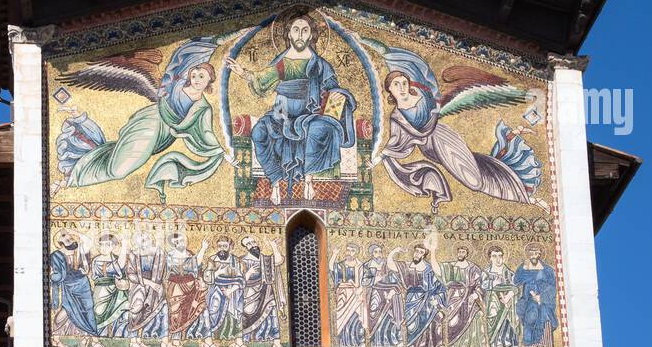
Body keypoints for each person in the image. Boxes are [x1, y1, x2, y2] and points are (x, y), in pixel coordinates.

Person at [370, 46, 542, 213]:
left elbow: (434, 95)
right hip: (430, 150)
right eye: (396, 84)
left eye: (404, 82)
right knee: (474, 174)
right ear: (389, 90)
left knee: (473, 181)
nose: (401, 87)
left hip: (443, 138)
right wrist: (379, 159)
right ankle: (519, 192)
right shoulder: (397, 117)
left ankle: (520, 194)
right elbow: (396, 142)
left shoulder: (423, 99)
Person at [57, 40, 234, 202]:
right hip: (150, 123)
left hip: (164, 137)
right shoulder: (175, 87)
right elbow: (190, 54)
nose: (196, 79)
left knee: (117, 160)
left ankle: (79, 165)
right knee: (119, 170)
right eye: (194, 75)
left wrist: (222, 152)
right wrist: (217, 40)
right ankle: (74, 178)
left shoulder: (203, 108)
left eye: (201, 76)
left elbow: (206, 134)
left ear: (210, 80)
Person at [226, 14, 355, 205]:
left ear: (311, 35)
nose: (300, 35)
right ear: (289, 34)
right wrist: (243, 72)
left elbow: (333, 87)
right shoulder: (282, 62)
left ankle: (308, 180)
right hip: (282, 112)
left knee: (319, 129)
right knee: (259, 132)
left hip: (311, 113)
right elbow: (262, 80)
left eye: (305, 30)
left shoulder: (320, 64)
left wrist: (339, 95)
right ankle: (276, 181)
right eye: (296, 30)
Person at [48, 230, 101, 347]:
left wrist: (72, 231)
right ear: (59, 242)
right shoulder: (56, 255)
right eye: (64, 237)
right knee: (66, 311)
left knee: (88, 311)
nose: (69, 238)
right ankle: (55, 338)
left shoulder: (79, 250)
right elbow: (57, 274)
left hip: (83, 286)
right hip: (69, 287)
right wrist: (52, 276)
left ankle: (93, 338)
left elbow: (88, 241)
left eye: (70, 237)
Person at [193, 236, 245, 347]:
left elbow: (241, 278)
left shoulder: (235, 260)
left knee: (236, 313)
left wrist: (230, 290)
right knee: (213, 312)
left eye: (225, 246)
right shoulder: (212, 259)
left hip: (232, 291)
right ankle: (208, 341)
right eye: (220, 246)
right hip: (215, 289)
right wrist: (218, 272)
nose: (222, 248)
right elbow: (207, 276)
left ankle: (236, 342)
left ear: (230, 247)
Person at [237, 235, 286, 347]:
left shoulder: (265, 259)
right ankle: (239, 342)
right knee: (244, 316)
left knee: (273, 313)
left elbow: (279, 261)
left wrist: (274, 246)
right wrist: (248, 273)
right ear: (245, 247)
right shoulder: (241, 260)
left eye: (253, 242)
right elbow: (237, 280)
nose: (253, 245)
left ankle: (276, 343)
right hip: (249, 294)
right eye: (248, 244)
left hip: (266, 291)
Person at [163, 232, 208, 347]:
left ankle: (202, 338)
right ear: (173, 244)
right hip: (176, 286)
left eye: (182, 241)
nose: (180, 243)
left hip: (191, 286)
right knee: (175, 312)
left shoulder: (190, 254)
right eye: (176, 242)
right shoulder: (170, 256)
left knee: (194, 309)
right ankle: (175, 341)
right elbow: (170, 271)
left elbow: (198, 267)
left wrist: (203, 249)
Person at [514, 243, 558, 347]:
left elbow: (553, 287)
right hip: (528, 300)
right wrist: (523, 269)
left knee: (543, 320)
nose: (533, 255)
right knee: (529, 319)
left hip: (544, 302)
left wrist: (541, 297)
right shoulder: (524, 267)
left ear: (540, 254)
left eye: (536, 253)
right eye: (531, 253)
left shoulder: (547, 270)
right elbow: (516, 281)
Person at [440, 245, 486, 347]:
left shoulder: (473, 268)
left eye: (463, 252)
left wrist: (475, 294)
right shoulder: (451, 266)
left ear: (467, 254)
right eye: (459, 252)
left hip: (469, 298)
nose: (461, 254)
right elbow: (442, 278)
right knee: (450, 319)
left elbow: (480, 284)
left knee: (477, 315)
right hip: (452, 298)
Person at [125, 231, 167, 347]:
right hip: (139, 285)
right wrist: (149, 283)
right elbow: (131, 274)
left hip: (155, 286)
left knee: (148, 312)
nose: (146, 241)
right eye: (143, 239)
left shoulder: (158, 253)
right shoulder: (134, 254)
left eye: (148, 238)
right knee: (136, 310)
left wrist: (155, 285)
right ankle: (133, 341)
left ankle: (139, 339)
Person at [481, 245, 519, 347]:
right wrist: (495, 284)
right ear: (490, 258)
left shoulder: (509, 273)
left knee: (510, 323)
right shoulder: (486, 272)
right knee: (493, 321)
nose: (498, 259)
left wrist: (508, 296)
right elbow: (483, 285)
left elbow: (515, 286)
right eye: (494, 256)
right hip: (493, 303)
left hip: (508, 305)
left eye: (500, 256)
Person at [330, 242, 367, 347]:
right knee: (342, 322)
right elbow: (331, 268)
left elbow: (365, 281)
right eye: (348, 250)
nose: (349, 252)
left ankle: (362, 346)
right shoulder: (340, 265)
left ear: (356, 253)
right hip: (342, 297)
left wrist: (360, 289)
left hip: (355, 297)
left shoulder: (360, 266)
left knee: (356, 321)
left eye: (352, 250)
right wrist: (334, 254)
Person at [90, 233, 129, 338]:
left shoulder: (116, 259)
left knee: (124, 307)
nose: (104, 248)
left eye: (107, 245)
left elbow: (120, 266)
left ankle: (118, 334)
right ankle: (101, 334)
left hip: (116, 289)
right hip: (100, 291)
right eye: (101, 245)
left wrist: (124, 246)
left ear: (113, 247)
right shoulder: (95, 260)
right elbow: (94, 277)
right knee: (98, 312)